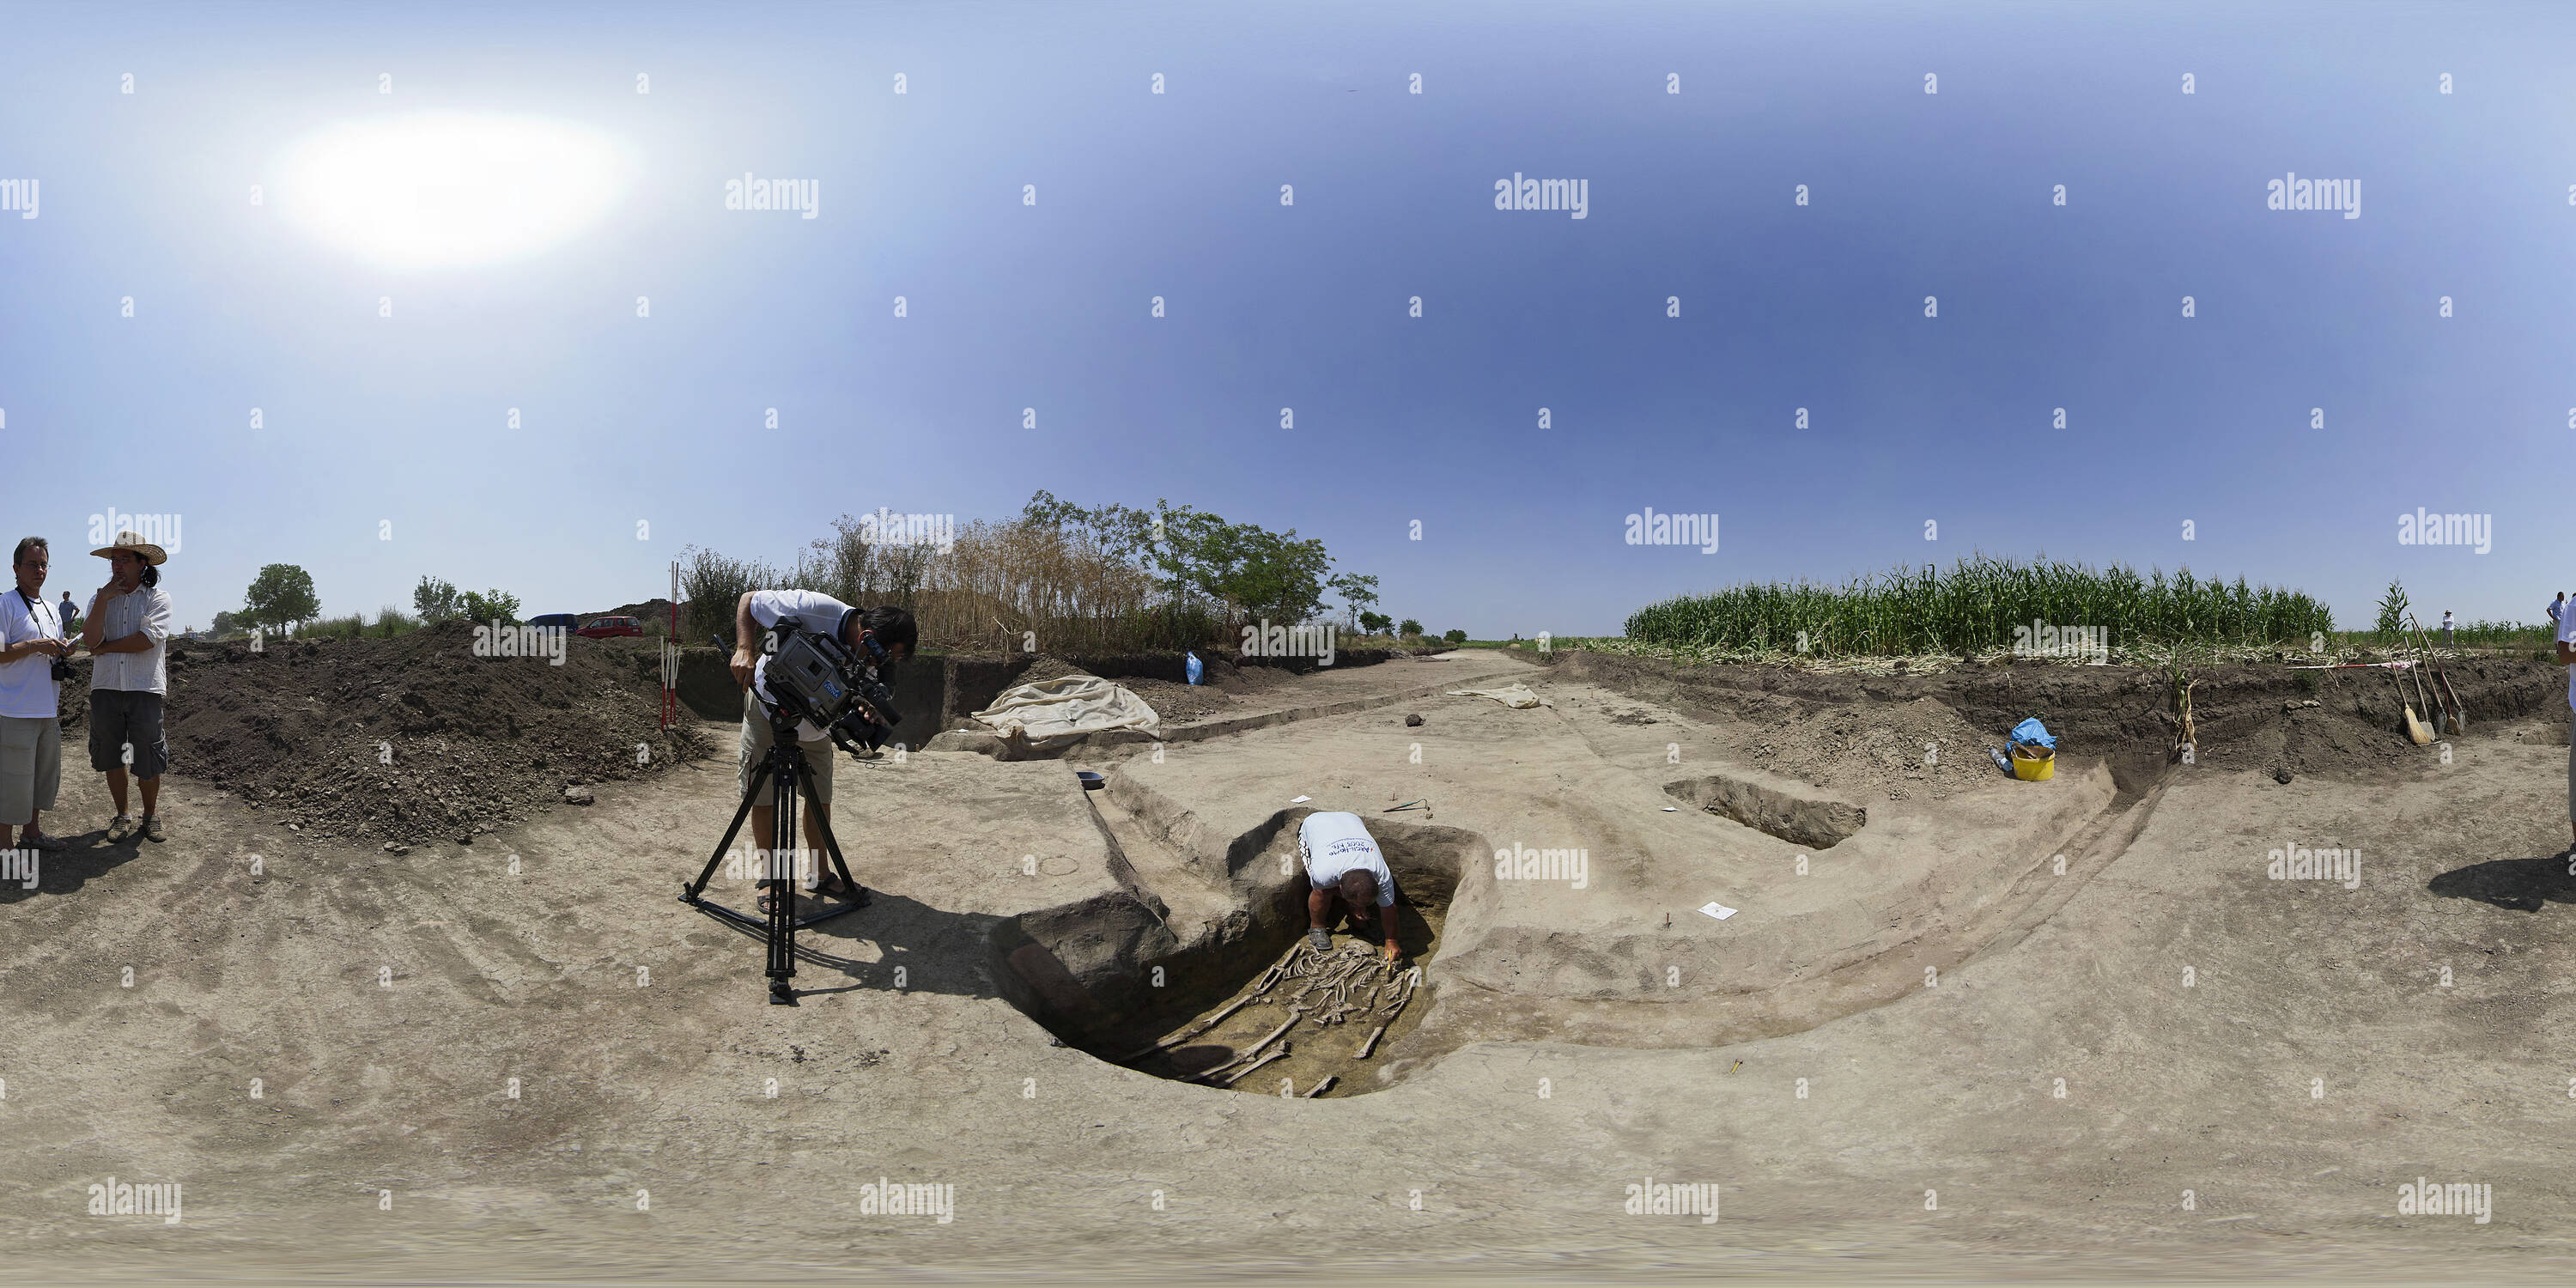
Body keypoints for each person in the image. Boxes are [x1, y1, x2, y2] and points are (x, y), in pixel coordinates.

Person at [727, 590, 915, 912]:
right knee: (764, 796)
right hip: (768, 709)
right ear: (868, 636)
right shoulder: (813, 609)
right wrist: (745, 648)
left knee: (819, 799)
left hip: (816, 726)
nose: (878, 664)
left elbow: (860, 692)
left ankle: (820, 874)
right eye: (881, 656)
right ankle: (772, 878)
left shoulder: (874, 658)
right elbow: (749, 600)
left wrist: (865, 707)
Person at [82, 532, 173, 842]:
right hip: (106, 687)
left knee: (147, 755)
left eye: (124, 559)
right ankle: (122, 815)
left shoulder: (157, 599)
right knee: (112, 754)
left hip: (144, 688)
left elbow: (146, 640)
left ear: (141, 563)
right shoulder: (99, 599)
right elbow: (90, 640)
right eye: (114, 560)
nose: (117, 565)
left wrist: (106, 648)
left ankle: (150, 815)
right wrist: (103, 601)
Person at [0, 538, 72, 854]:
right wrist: (34, 646)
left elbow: (53, 647)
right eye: (32, 564)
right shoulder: (5, 604)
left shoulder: (52, 609)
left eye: (44, 564)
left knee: (42, 777)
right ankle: (4, 845)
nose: (39, 570)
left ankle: (31, 832)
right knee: (12, 780)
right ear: (16, 568)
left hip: (47, 708)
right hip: (14, 710)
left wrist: (64, 648)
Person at [1297, 810, 1401, 961]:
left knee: (1358, 896)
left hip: (1350, 818)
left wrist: (1391, 941)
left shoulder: (1382, 874)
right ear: (1340, 887)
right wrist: (1355, 905)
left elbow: (1389, 908)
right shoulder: (1323, 872)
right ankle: (1317, 927)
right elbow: (1321, 891)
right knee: (1322, 892)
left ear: (1376, 881)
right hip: (1314, 822)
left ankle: (1357, 922)